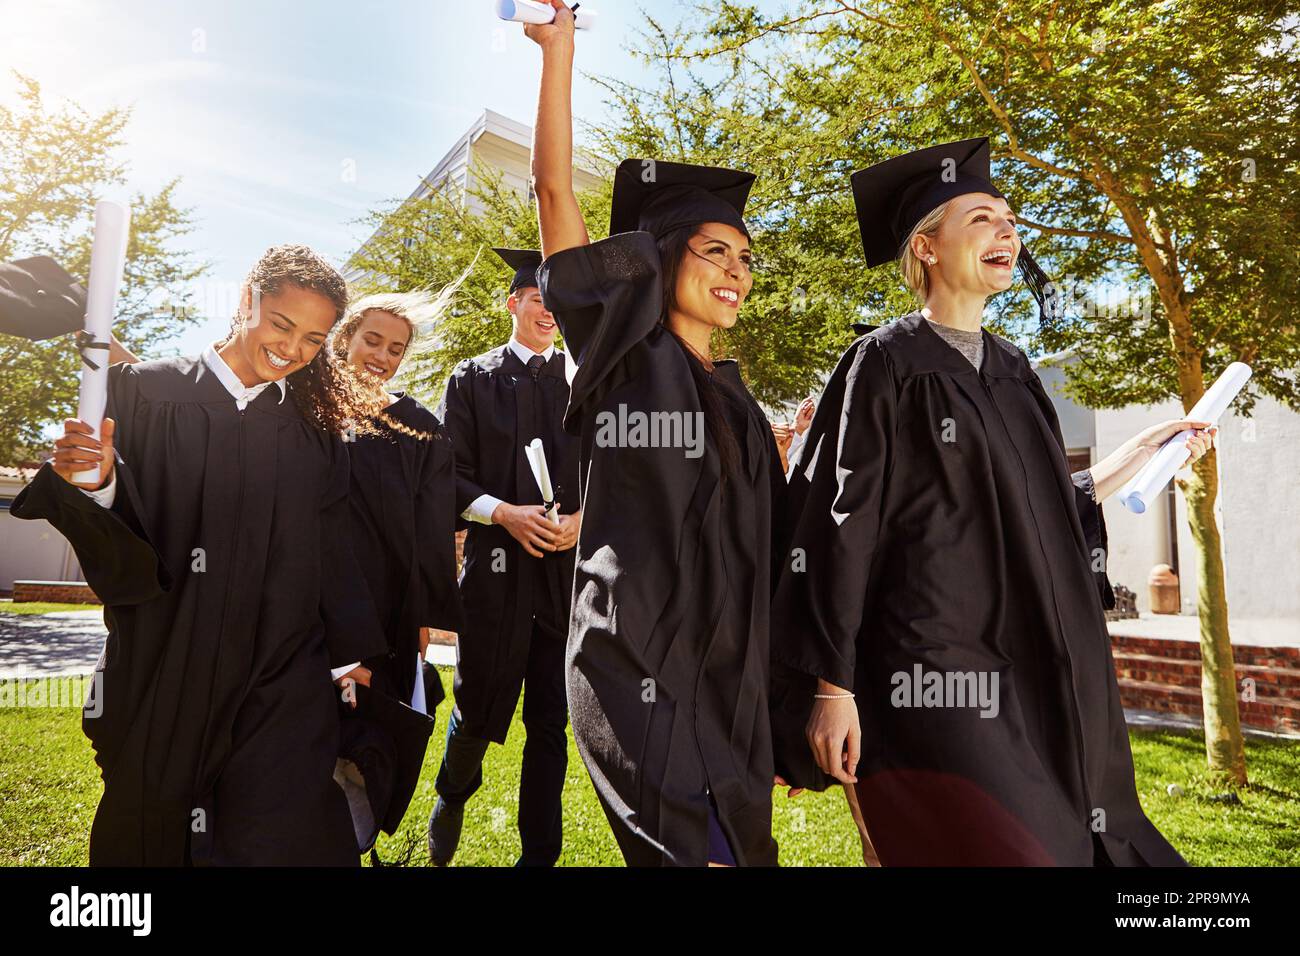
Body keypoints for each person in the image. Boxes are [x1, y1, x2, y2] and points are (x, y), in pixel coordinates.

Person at [773, 138, 1212, 865]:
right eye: (981, 218)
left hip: (1035, 656)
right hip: (931, 668)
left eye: (1010, 219)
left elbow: (1037, 502)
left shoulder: (1013, 367)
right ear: (927, 246)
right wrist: (832, 686)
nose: (1007, 231)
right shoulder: (883, 363)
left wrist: (1143, 453)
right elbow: (841, 529)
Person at [524, 0, 795, 867]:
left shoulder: (743, 406)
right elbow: (555, 194)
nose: (735, 271)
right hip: (633, 660)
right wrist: (555, 55)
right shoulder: (624, 358)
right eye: (714, 250)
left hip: (728, 679)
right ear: (665, 255)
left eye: (746, 259)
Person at [12, 243, 389, 866]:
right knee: (152, 826)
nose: (292, 350)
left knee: (277, 827)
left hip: (280, 669)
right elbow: (122, 536)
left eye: (314, 340)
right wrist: (99, 482)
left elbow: (331, 547)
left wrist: (350, 656)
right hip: (168, 655)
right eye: (282, 325)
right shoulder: (142, 393)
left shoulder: (313, 430)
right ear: (246, 302)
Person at [425, 247, 580, 868]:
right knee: (479, 703)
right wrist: (506, 514)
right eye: (539, 297)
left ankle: (538, 855)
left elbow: (613, 471)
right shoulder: (471, 379)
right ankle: (453, 793)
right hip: (495, 567)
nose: (549, 311)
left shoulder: (583, 378)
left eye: (557, 302)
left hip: (565, 574)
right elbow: (448, 474)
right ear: (513, 301)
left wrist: (581, 520)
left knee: (550, 720)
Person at [329, 290, 466, 857]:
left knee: (362, 748)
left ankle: (341, 843)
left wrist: (434, 643)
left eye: (396, 348)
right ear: (343, 339)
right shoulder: (301, 410)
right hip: (299, 611)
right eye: (372, 341)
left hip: (387, 621)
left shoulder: (419, 428)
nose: (382, 356)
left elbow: (436, 540)